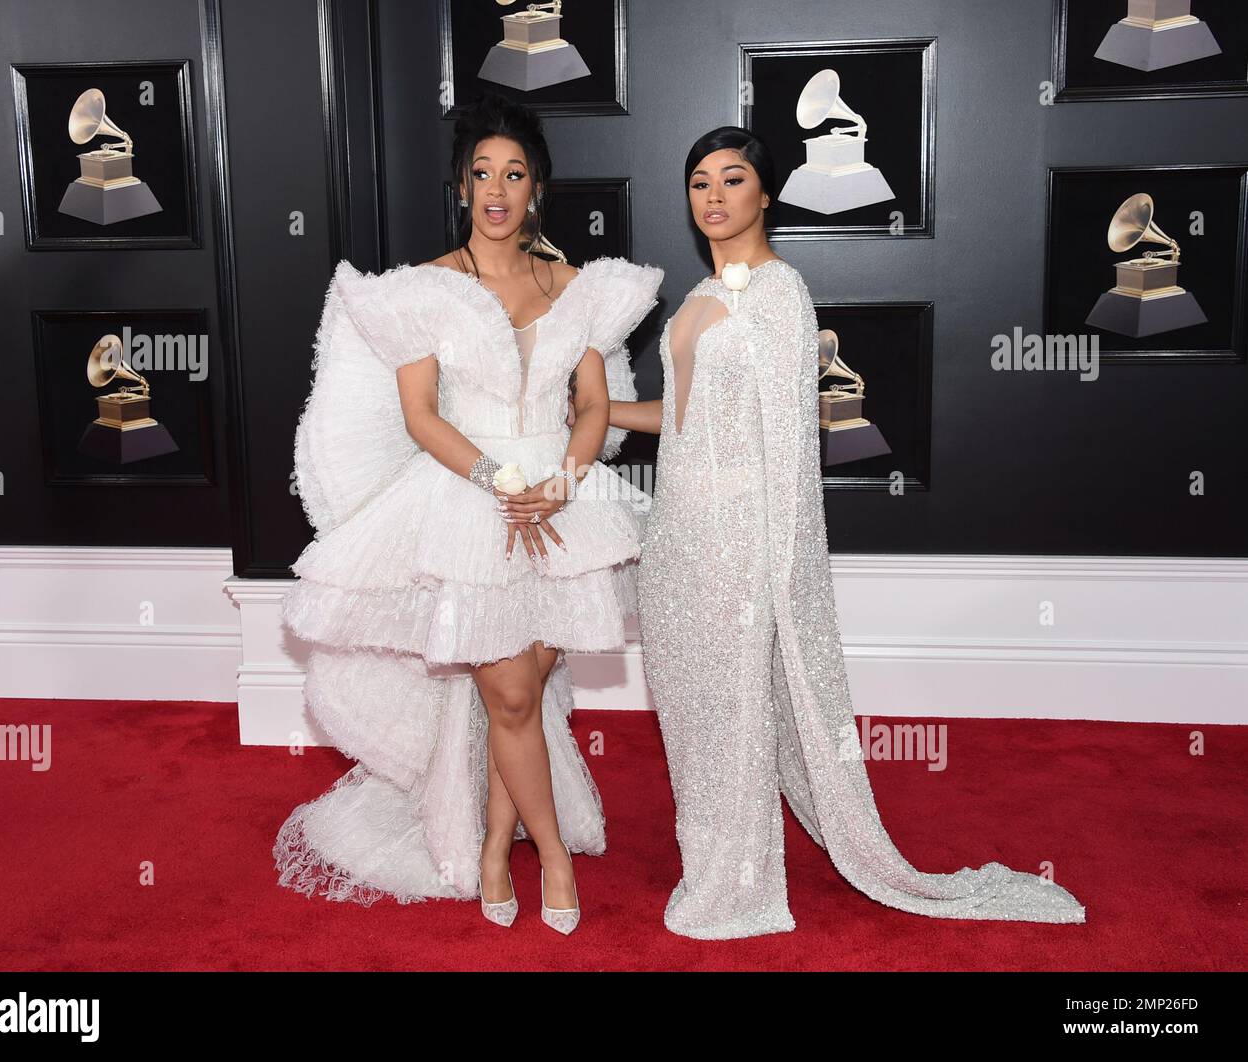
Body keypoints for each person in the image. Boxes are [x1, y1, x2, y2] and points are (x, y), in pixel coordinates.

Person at [606, 126, 1086, 939]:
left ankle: (739, 886)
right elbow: (680, 423)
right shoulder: (696, 299)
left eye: (731, 180)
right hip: (678, 533)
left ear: (765, 193)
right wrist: (598, 410)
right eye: (698, 183)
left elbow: (793, 439)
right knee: (691, 709)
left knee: (735, 709)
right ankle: (711, 855)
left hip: (738, 538)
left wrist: (777, 562)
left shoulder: (778, 292)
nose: (714, 196)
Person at [275, 91, 663, 936]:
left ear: (537, 190)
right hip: (467, 500)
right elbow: (421, 415)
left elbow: (593, 406)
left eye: (514, 174)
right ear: (461, 187)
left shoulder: (577, 288)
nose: (497, 188)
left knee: (520, 690)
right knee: (513, 693)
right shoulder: (423, 288)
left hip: (564, 506)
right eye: (481, 172)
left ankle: (495, 841)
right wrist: (496, 479)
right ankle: (552, 858)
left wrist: (561, 476)